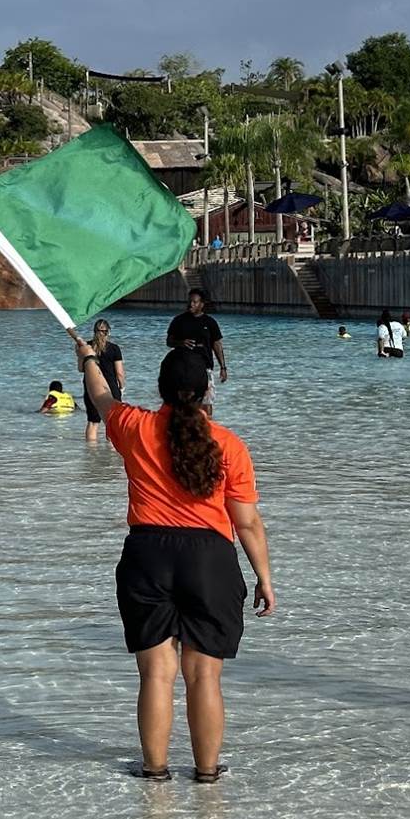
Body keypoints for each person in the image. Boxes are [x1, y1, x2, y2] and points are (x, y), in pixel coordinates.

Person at [75, 334, 275, 783]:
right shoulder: (229, 444)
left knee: (156, 674)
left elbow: (103, 395)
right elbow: (247, 524)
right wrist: (263, 577)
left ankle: (155, 772)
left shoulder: (135, 427)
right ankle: (206, 775)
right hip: (211, 560)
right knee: (204, 676)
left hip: (148, 554)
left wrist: (88, 359)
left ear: (160, 388)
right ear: (207, 391)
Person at [166, 289, 227, 404]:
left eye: (195, 302)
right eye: (189, 301)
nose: (191, 304)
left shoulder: (210, 322)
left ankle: (207, 422)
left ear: (202, 304)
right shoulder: (178, 321)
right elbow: (169, 342)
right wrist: (181, 343)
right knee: (186, 404)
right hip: (184, 369)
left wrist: (223, 368)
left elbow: (217, 345)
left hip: (205, 368)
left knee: (207, 403)